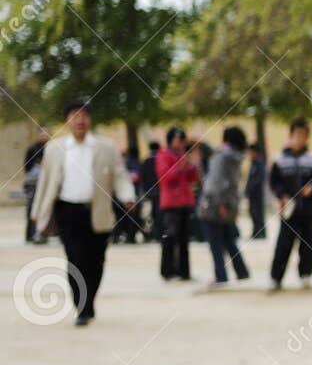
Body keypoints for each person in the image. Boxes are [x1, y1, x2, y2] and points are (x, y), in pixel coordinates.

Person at [29, 100, 135, 325]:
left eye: (84, 115)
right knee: (75, 259)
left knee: (96, 261)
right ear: (67, 120)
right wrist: (38, 210)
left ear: (90, 119)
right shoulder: (55, 149)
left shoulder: (105, 147)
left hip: (98, 211)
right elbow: (45, 182)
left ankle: (88, 303)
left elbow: (120, 175)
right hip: (68, 212)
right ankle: (83, 307)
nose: (80, 119)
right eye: (74, 115)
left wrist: (128, 196)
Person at [268, 118, 312, 291]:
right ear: (291, 135)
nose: (300, 139)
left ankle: (305, 275)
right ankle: (276, 278)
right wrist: (281, 196)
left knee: (308, 244)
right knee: (283, 245)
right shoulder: (280, 160)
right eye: (297, 135)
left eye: (303, 136)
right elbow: (273, 182)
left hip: (309, 210)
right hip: (289, 209)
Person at [199, 126, 251, 289]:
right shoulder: (236, 157)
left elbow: (217, 182)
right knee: (229, 239)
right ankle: (241, 271)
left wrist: (219, 204)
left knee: (215, 242)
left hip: (215, 204)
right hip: (230, 202)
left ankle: (220, 276)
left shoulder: (221, 157)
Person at [155, 125, 200, 281]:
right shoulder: (163, 155)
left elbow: (193, 178)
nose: (181, 143)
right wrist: (181, 165)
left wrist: (193, 165)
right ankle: (167, 271)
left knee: (184, 239)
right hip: (171, 203)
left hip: (185, 201)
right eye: (179, 139)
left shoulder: (184, 155)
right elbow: (165, 177)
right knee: (170, 238)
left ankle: (184, 272)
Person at [23, 126, 49, 243]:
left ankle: (44, 233)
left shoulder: (51, 148)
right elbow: (27, 166)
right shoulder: (32, 148)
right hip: (34, 183)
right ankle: (31, 234)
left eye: (46, 133)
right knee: (32, 208)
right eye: (42, 133)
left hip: (47, 183)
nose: (44, 136)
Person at [245, 143, 268, 239]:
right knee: (253, 213)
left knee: (258, 213)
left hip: (257, 194)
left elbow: (258, 179)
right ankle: (256, 231)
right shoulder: (253, 163)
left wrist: (251, 188)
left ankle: (260, 232)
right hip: (252, 193)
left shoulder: (259, 163)